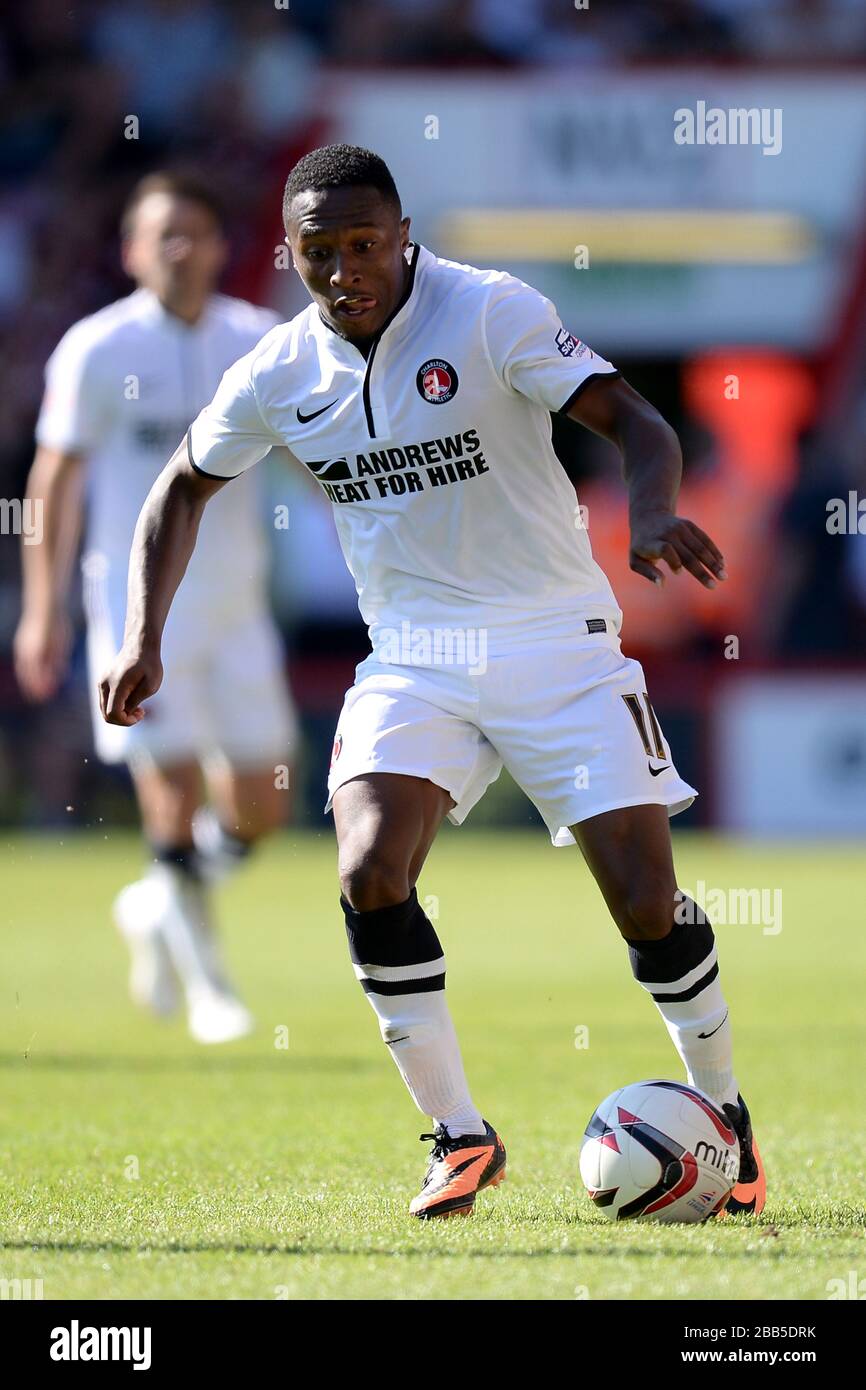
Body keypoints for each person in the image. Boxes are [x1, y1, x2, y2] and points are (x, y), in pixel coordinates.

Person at [100, 145, 765, 1217]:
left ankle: (725, 1115)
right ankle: (459, 1134)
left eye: (364, 245)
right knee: (367, 869)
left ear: (403, 236)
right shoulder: (276, 369)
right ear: (292, 254)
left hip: (556, 638)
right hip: (413, 653)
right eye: (320, 252)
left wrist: (646, 509)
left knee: (644, 902)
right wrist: (142, 635)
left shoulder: (487, 310)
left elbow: (635, 420)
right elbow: (178, 490)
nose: (345, 269)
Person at [15, 172, 297, 1044]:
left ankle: (157, 901)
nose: (181, 249)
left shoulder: (260, 341)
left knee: (261, 805)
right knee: (170, 788)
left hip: (238, 610)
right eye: (162, 234)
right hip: (134, 616)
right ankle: (210, 984)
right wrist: (42, 609)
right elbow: (54, 481)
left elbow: (316, 459)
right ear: (133, 251)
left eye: (197, 232)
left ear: (221, 245)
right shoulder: (96, 349)